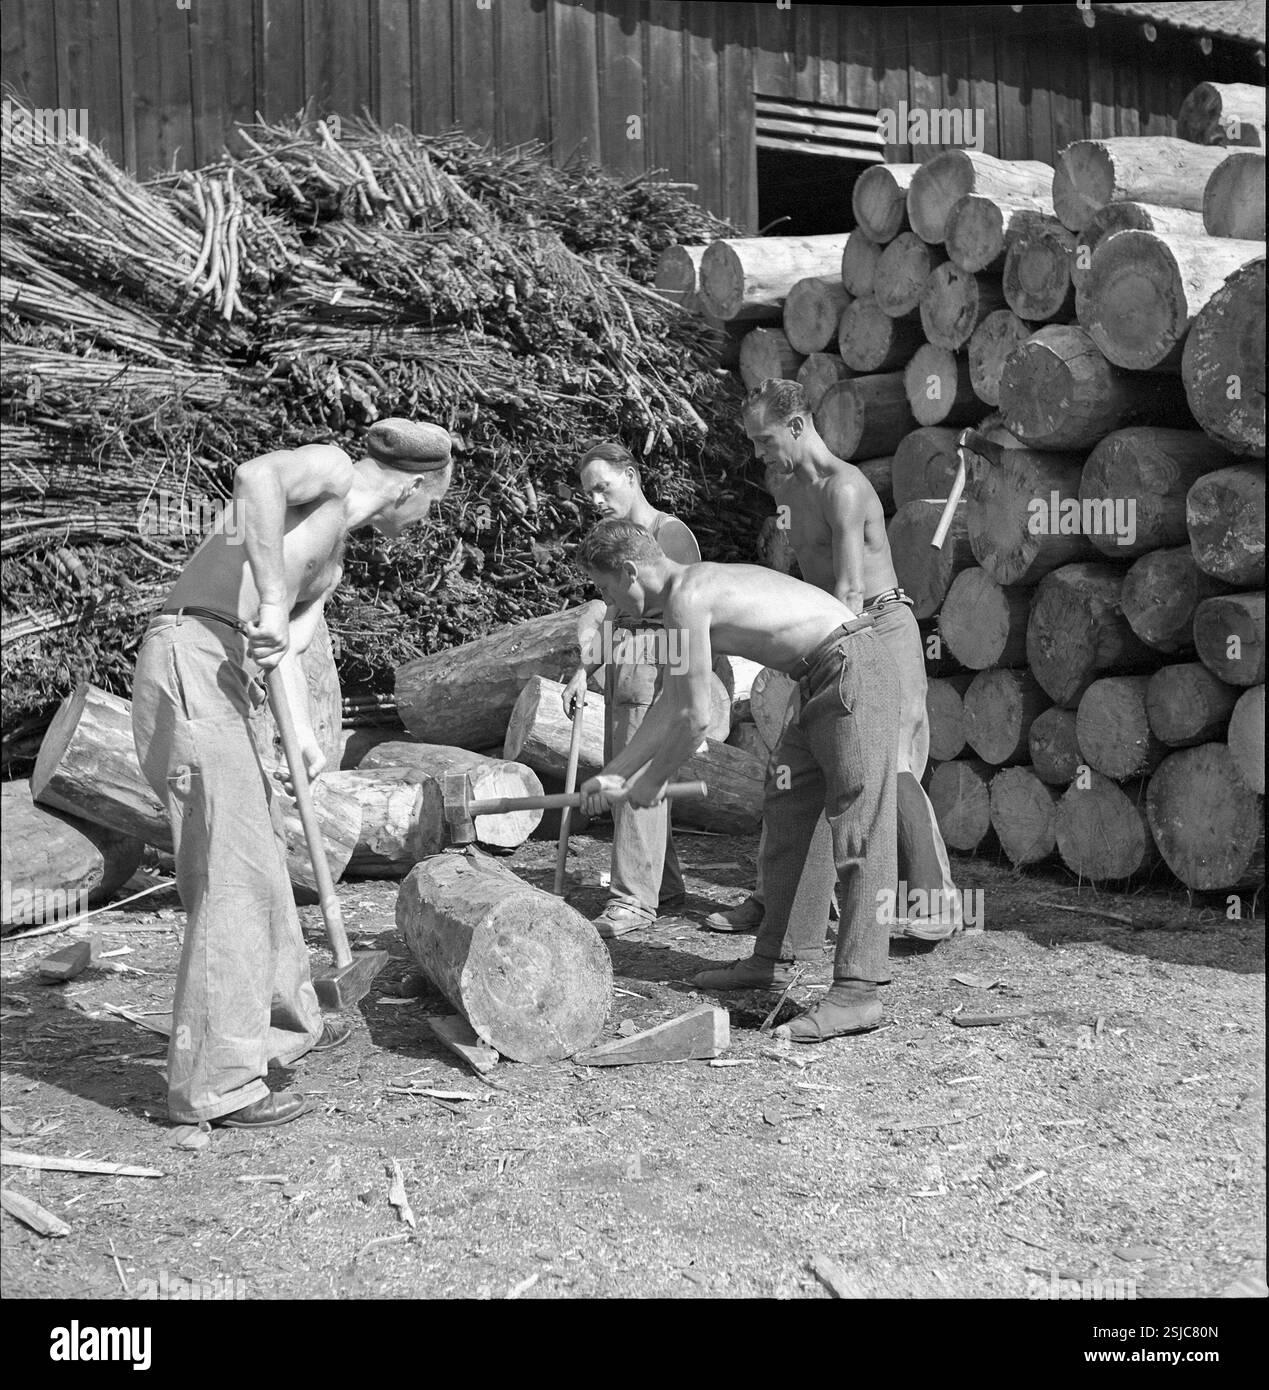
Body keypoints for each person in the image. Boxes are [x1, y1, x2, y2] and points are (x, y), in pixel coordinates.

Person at [131, 419, 453, 1129]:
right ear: (414, 484)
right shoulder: (331, 469)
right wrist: (272, 601)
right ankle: (217, 1084)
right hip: (194, 653)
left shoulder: (331, 561)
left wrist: (302, 734)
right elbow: (254, 479)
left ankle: (282, 1031)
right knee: (235, 878)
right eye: (433, 503)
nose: (428, 518)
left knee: (263, 868)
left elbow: (287, 650)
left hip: (232, 683)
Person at [576, 519, 900, 1042]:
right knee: (790, 806)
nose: (607, 599)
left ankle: (858, 993)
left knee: (860, 825)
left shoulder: (687, 596)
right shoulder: (681, 601)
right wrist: (615, 772)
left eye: (605, 586)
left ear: (631, 570)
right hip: (817, 678)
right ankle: (776, 958)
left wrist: (651, 782)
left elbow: (696, 719)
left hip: (851, 666)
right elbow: (672, 703)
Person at [741, 378, 961, 940]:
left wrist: (811, 654)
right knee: (798, 763)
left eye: (765, 440)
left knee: (891, 762)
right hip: (829, 627)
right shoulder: (784, 487)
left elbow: (849, 590)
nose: (759, 453)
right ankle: (780, 903)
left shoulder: (846, 489)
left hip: (879, 625)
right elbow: (801, 571)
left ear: (797, 426)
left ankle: (936, 908)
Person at [561, 442, 702, 939]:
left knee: (637, 773)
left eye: (604, 486)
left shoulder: (670, 534)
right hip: (625, 660)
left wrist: (678, 687)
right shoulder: (613, 539)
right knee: (627, 772)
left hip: (658, 662)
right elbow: (614, 611)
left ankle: (632, 901)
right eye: (589, 492)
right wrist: (586, 668)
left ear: (631, 475)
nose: (596, 498)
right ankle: (662, 886)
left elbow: (686, 614)